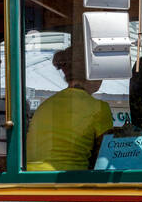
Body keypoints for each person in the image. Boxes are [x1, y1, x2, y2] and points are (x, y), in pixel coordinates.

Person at [25, 42, 112, 171]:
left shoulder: (45, 105)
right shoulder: (99, 108)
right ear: (92, 73)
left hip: (30, 178)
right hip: (70, 182)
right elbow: (105, 155)